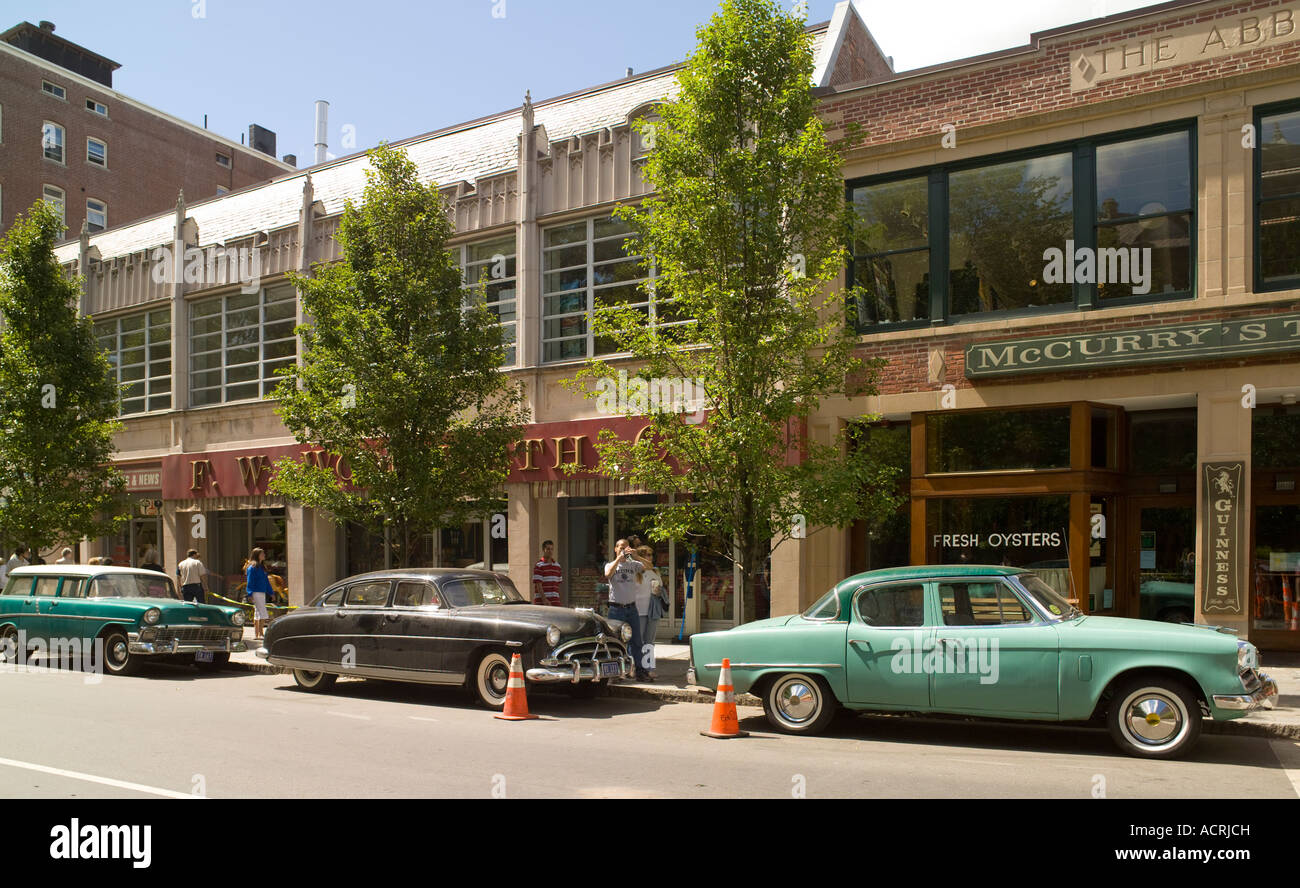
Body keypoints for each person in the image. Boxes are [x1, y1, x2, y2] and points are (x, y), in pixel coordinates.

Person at [605, 538, 649, 681]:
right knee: (617, 642)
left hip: (631, 608)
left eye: (625, 547)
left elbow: (650, 566)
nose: (623, 550)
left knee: (637, 641)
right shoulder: (610, 565)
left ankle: (640, 671)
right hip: (616, 609)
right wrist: (618, 559)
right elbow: (607, 574)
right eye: (620, 547)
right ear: (615, 549)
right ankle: (617, 673)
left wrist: (637, 556)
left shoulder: (633, 564)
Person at [635, 545, 667, 680]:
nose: (650, 557)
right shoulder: (635, 572)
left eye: (651, 555)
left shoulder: (655, 571)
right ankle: (636, 668)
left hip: (652, 609)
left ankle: (649, 668)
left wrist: (658, 590)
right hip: (638, 609)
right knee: (638, 641)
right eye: (647, 555)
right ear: (641, 556)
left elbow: (659, 587)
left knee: (650, 641)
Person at [244, 547, 273, 640]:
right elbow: (250, 581)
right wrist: (250, 593)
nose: (264, 555)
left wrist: (271, 592)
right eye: (262, 554)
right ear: (257, 555)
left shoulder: (262, 567)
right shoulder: (252, 567)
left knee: (258, 613)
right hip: (256, 592)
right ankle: (260, 633)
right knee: (263, 613)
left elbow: (266, 581)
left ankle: (257, 634)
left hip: (262, 592)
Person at [532, 540, 562, 606]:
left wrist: (559, 600)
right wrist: (544, 600)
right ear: (543, 550)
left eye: (552, 549)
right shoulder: (539, 565)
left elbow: (557, 585)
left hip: (555, 602)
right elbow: (538, 585)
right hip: (542, 603)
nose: (550, 551)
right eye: (548, 549)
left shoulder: (557, 566)